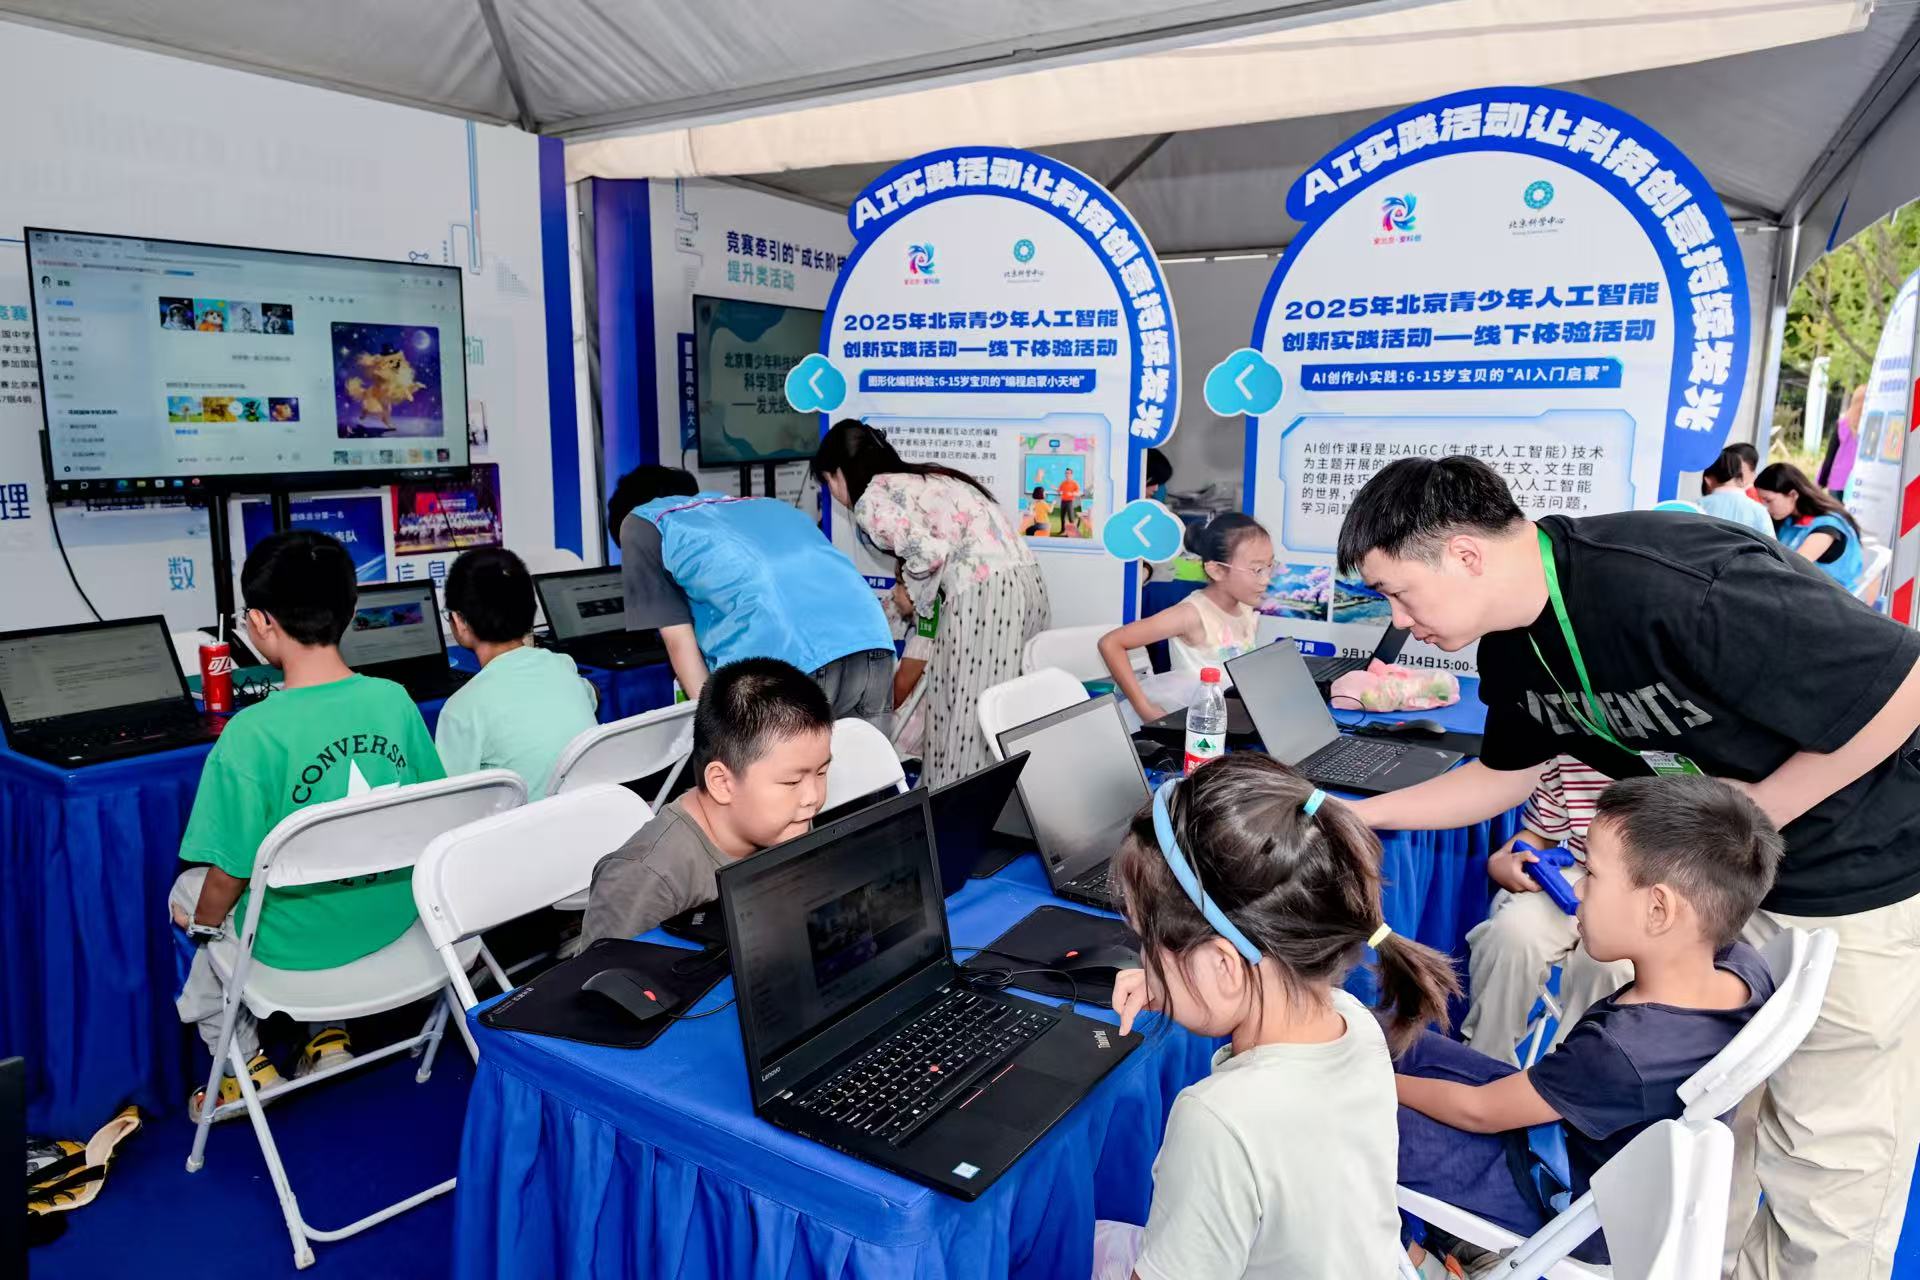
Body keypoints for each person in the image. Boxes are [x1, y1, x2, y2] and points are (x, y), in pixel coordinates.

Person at [1334, 454, 1920, 1280]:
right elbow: (1505, 776)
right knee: (1716, 1132)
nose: (1399, 620)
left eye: (1400, 592)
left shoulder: (1678, 584)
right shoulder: (1510, 646)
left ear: (1464, 553)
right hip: (1729, 877)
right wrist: (1365, 812)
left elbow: (1906, 684)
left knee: (1828, 1145)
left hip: (1857, 864)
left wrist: (1749, 817)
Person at [1093, 752, 1457, 1280]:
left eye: (1147, 943)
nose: (1144, 959)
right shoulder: (1354, 1022)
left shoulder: (1216, 1120)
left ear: (1224, 966)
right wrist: (1180, 979)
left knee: (1076, 1245)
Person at [1397, 774, 1780, 1267]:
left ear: (1658, 909)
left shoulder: (1623, 1052)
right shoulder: (1739, 968)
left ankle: (1420, 1261)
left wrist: (1376, 1083)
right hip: (1581, 1153)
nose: (1575, 888)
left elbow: (1479, 1111)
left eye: (1592, 875)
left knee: (1347, 1114)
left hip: (1559, 1198)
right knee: (1405, 1044)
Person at [168, 531, 446, 1121]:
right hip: (394, 924)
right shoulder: (395, 702)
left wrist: (204, 924)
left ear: (261, 623)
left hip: (295, 950)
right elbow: (434, 812)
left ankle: (241, 1068)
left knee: (190, 900)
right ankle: (328, 1037)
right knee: (338, 857)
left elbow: (230, 871)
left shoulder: (251, 734)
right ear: (350, 610)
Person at [813, 421, 1050, 787]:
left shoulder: (871, 500)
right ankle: (1002, 811)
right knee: (1005, 713)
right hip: (1025, 583)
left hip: (983, 595)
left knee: (964, 721)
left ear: (838, 473)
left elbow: (927, 555)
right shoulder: (930, 478)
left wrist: (919, 603)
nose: (834, 493)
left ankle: (950, 823)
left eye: (828, 482)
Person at [606, 464, 894, 730]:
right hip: (872, 640)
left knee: (774, 780)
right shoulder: (759, 505)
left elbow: (678, 641)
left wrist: (715, 733)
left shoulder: (639, 524)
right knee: (863, 775)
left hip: (787, 663)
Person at [580, 658, 831, 946]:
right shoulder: (646, 877)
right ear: (723, 783)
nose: (813, 797)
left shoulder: (787, 821)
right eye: (792, 782)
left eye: (822, 772)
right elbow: (605, 984)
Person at [1459, 755, 1633, 1063]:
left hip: (1661, 891)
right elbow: (1539, 834)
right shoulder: (1570, 752)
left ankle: (1577, 1074)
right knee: (1511, 934)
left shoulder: (1706, 750)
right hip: (1582, 873)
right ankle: (1483, 1061)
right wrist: (1504, 861)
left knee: (1609, 966)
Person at [435, 547, 597, 800]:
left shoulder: (461, 709)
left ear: (461, 622)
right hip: (588, 820)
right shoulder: (563, 666)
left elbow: (446, 801)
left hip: (518, 835)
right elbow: (592, 694)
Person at [1096, 512, 1269, 725]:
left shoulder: (1245, 607)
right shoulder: (1191, 614)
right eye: (1257, 570)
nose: (1266, 579)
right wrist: (1145, 709)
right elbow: (1111, 642)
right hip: (1191, 722)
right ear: (1216, 570)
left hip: (1228, 718)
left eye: (1270, 566)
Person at [1756, 461, 1866, 590]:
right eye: (1762, 501)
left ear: (1793, 495)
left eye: (1769, 500)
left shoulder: (1827, 528)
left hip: (1832, 600)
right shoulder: (1788, 520)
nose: (1766, 507)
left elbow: (1793, 569)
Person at [887, 573, 935, 762]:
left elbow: (895, 699)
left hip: (907, 735)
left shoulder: (922, 643)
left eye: (899, 585)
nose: (893, 593)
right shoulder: (927, 636)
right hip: (919, 729)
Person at [1698, 446, 1776, 539]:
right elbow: (1773, 549)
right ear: (1742, 478)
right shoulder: (1759, 511)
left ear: (1708, 480)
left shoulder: (1698, 505)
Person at [1820, 385, 1866, 497]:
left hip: (1837, 483)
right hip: (1860, 484)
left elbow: (1830, 457)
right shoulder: (1871, 427)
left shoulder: (1842, 424)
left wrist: (1821, 481)